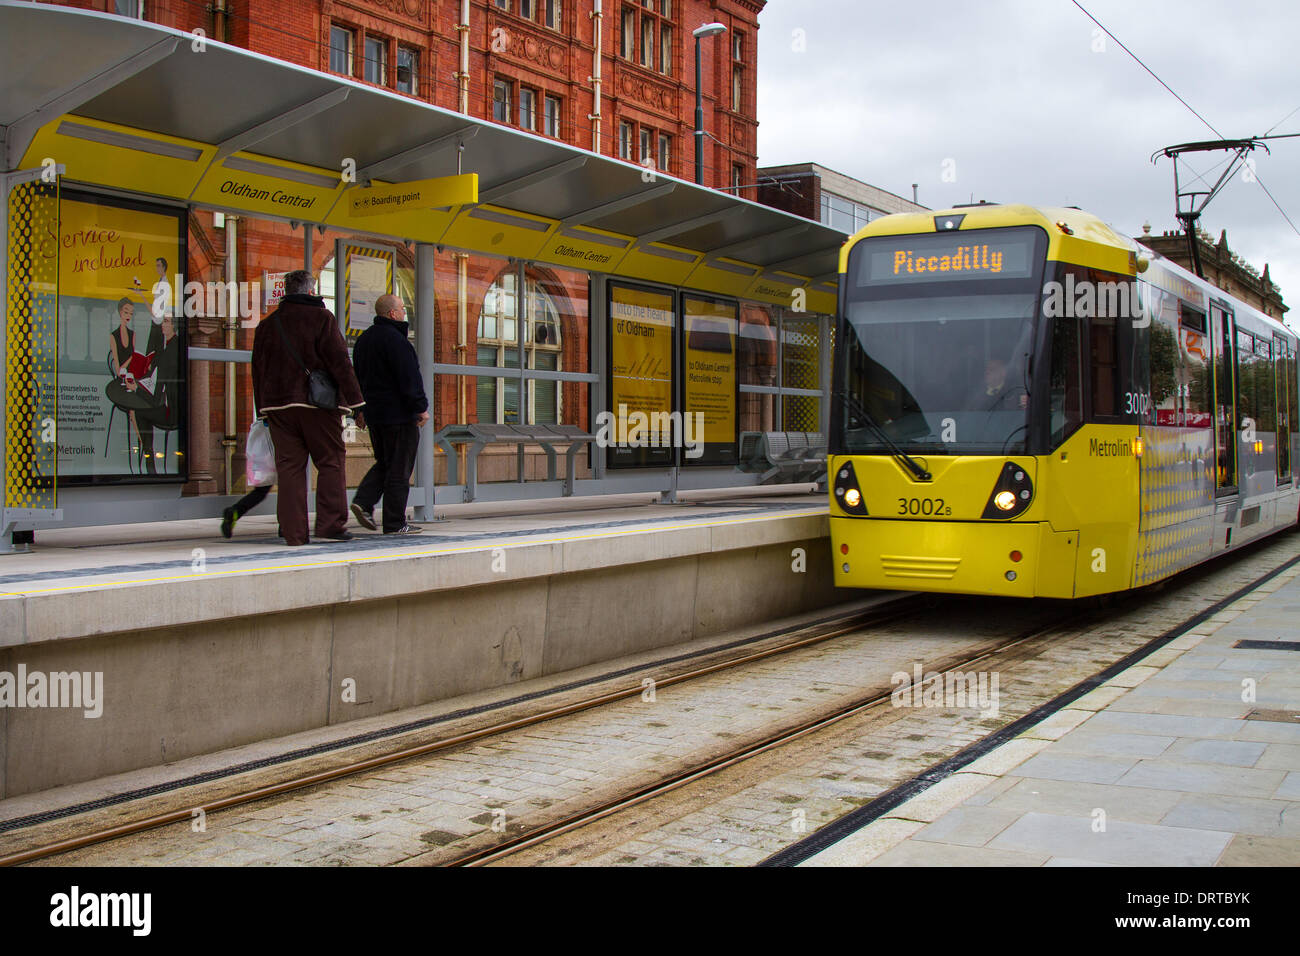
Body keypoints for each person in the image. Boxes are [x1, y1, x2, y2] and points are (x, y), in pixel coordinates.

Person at [251, 270, 365, 546]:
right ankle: (330, 525)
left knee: (289, 467)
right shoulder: (321, 318)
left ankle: (293, 532)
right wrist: (358, 404)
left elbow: (257, 369)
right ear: (312, 291)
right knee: (330, 460)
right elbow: (340, 362)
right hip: (317, 404)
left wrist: (263, 409)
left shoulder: (267, 326)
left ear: (287, 292)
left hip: (278, 407)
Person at [349, 293, 429, 535]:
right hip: (400, 415)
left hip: (375, 415)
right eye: (402, 309)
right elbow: (408, 377)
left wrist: (359, 410)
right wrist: (420, 407)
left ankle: (363, 502)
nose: (405, 313)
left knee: (385, 462)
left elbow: (358, 379)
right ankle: (395, 523)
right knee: (400, 469)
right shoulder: (397, 341)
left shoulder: (364, 341)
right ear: (392, 313)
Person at [132, 313, 181, 474]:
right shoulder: (174, 345)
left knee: (140, 411)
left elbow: (155, 398)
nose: (163, 325)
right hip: (175, 405)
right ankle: (149, 461)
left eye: (166, 322)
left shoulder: (169, 354)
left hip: (173, 413)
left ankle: (150, 464)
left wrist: (137, 389)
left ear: (174, 326)